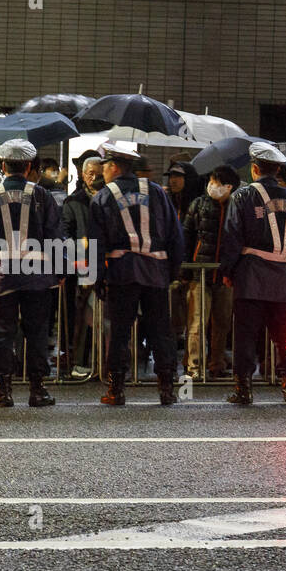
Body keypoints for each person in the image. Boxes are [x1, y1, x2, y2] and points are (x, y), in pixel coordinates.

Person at [0, 138, 64, 407]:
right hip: (37, 274)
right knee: (37, 331)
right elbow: (56, 235)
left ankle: (3, 390)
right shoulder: (42, 196)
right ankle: (37, 389)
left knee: (3, 331)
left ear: (3, 165)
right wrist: (61, 269)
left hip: (1, 274)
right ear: (30, 166)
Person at [89, 141, 185, 405]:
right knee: (160, 332)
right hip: (156, 272)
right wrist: (172, 271)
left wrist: (96, 278)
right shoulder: (157, 192)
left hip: (121, 274)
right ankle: (167, 389)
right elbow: (176, 236)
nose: (102, 172)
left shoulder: (103, 196)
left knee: (119, 333)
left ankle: (116, 389)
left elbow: (95, 243)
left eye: (105, 166)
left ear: (114, 167)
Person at [218, 142, 286, 404]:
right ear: (278, 169)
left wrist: (228, 270)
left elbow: (232, 237)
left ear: (255, 168)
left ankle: (243, 389)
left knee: (246, 336)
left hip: (251, 277)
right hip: (283, 278)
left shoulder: (242, 196)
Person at [181, 164, 238, 378]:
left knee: (222, 323)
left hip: (224, 275)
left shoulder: (235, 207)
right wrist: (185, 270)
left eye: (217, 183)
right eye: (211, 181)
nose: (212, 186)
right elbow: (186, 237)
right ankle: (194, 366)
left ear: (229, 186)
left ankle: (216, 363)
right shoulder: (198, 205)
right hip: (199, 273)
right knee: (197, 322)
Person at [59, 154, 103, 376]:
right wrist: (78, 245)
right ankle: (80, 361)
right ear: (83, 175)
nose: (95, 177)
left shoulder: (110, 199)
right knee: (82, 318)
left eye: (99, 173)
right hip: (81, 268)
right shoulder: (73, 202)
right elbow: (64, 233)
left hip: (105, 266)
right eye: (90, 173)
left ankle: (104, 362)